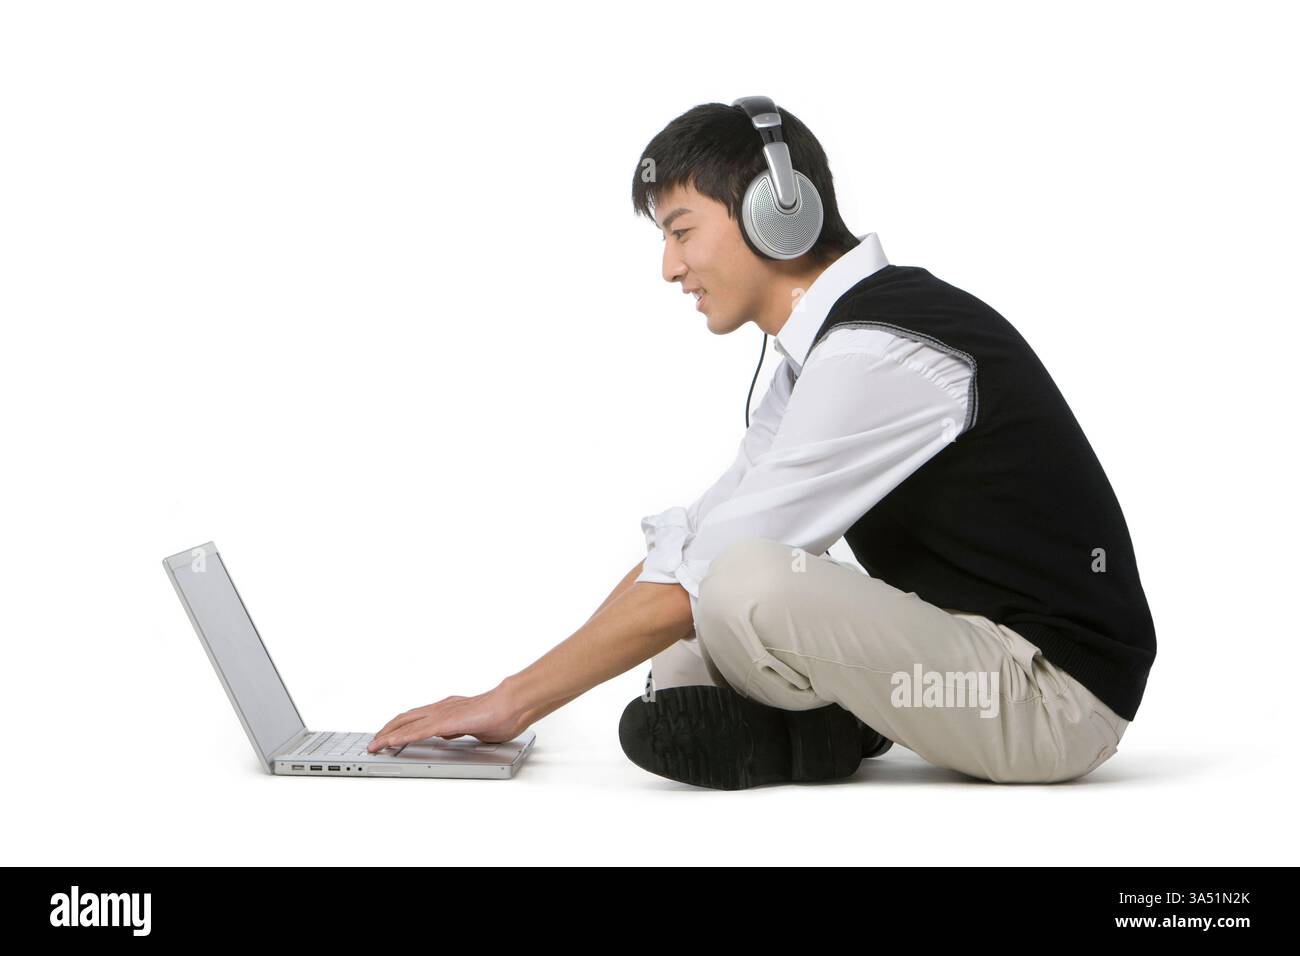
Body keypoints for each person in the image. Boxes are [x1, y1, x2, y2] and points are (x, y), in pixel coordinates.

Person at [367, 101, 1157, 791]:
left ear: (777, 214)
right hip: (959, 660)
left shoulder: (878, 351)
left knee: (744, 589)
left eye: (682, 232)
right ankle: (835, 731)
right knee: (683, 662)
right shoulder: (819, 354)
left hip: (1050, 698)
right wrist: (524, 681)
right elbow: (693, 544)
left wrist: (511, 701)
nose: (670, 267)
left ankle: (838, 725)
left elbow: (713, 572)